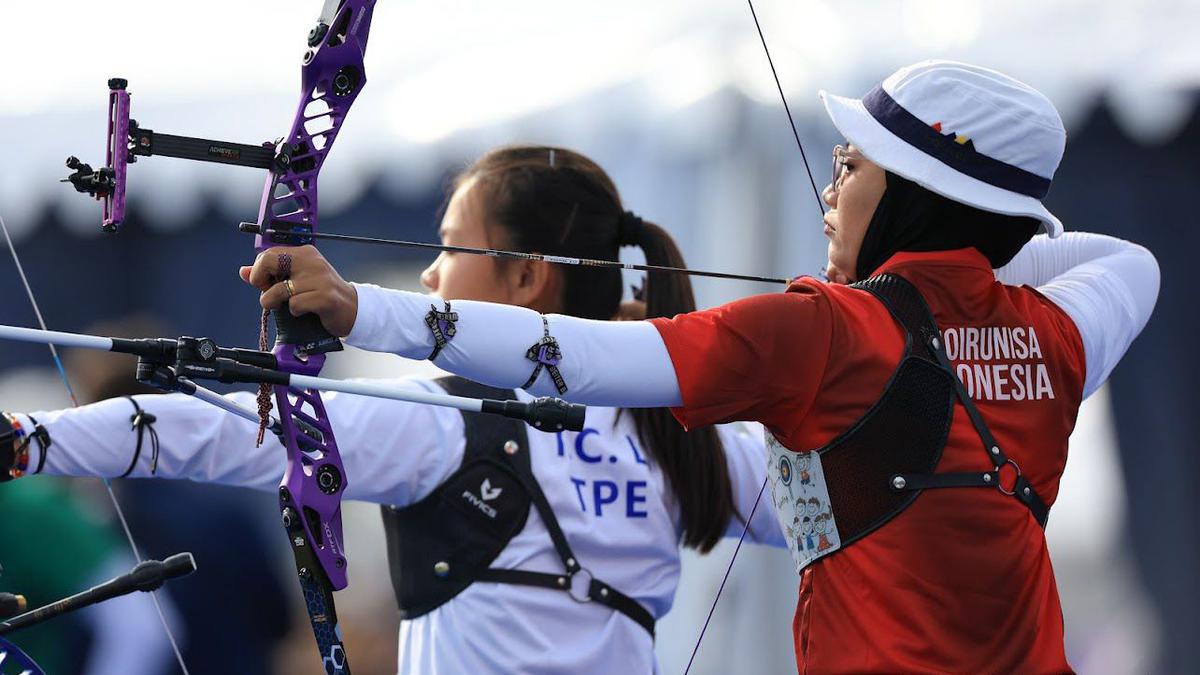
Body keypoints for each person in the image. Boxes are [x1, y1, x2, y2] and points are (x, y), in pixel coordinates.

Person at [245, 61, 1161, 672]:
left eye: (851, 164)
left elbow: (577, 355)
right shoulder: (1057, 334)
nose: (831, 189)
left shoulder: (828, 331)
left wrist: (361, 307)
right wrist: (973, 266)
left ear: (918, 194)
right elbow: (1129, 262)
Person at [1, 145, 782, 674]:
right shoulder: (687, 436)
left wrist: (29, 439)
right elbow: (851, 500)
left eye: (452, 247)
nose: (435, 275)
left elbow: (216, 430)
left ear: (526, 280)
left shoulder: (444, 426)